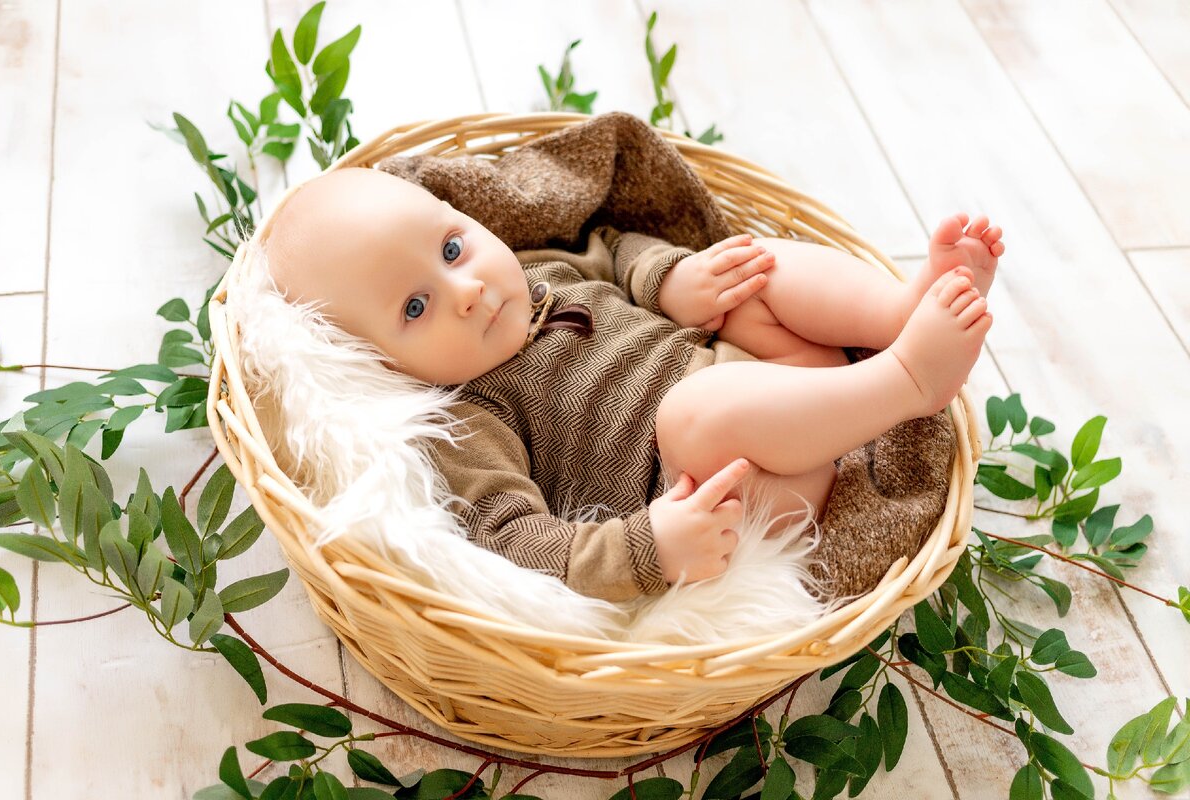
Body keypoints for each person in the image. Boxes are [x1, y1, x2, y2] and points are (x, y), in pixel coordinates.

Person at [263, 167, 1002, 602]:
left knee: (743, 271)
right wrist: (651, 547)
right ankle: (908, 380)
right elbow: (516, 542)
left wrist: (674, 283)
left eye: (452, 247)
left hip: (786, 382)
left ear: (467, 219)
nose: (465, 290)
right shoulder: (467, 415)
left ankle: (896, 315)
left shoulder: (538, 269)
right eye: (415, 308)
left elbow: (618, 250)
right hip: (743, 487)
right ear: (383, 365)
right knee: (691, 416)